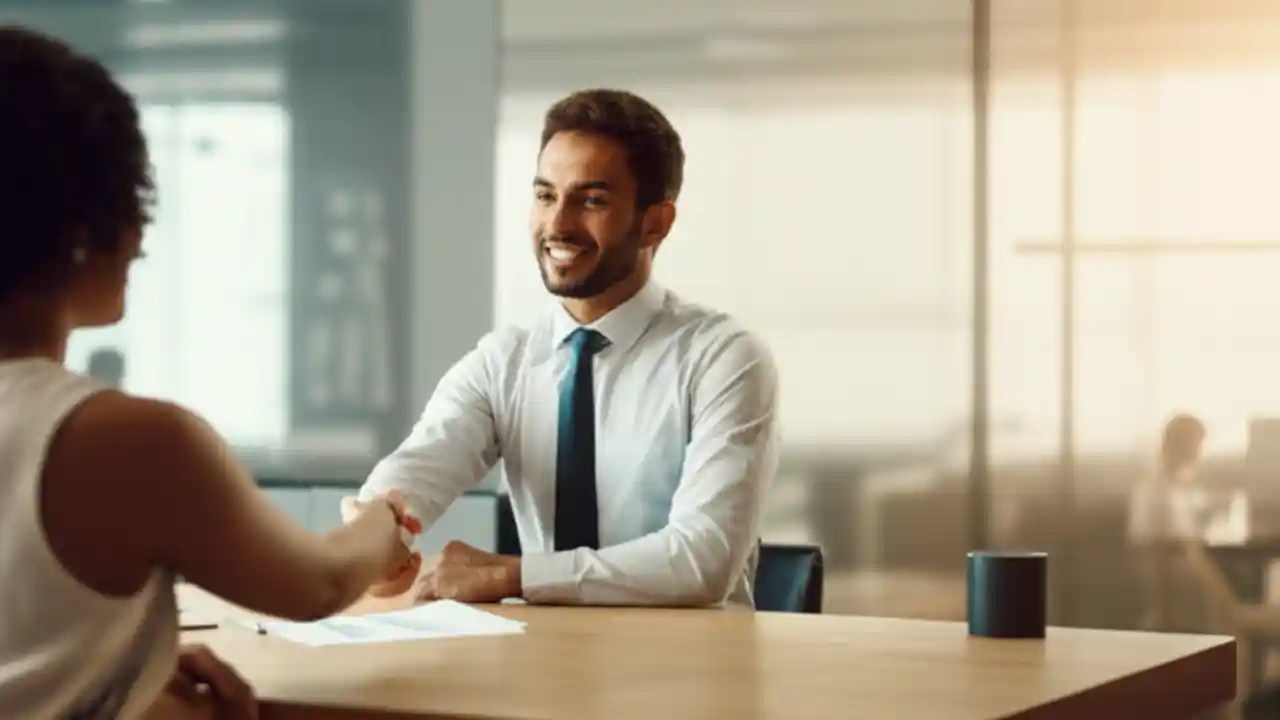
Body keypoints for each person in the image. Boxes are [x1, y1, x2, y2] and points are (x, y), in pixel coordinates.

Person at [0, 26, 419, 719]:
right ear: (88, 228)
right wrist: (383, 524)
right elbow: (317, 584)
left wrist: (120, 674)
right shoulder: (129, 441)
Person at [345, 88, 779, 609]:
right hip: (544, 661)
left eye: (592, 200)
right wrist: (378, 532)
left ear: (654, 223)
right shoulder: (502, 362)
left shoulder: (724, 359)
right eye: (546, 195)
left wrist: (514, 575)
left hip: (689, 671)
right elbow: (420, 466)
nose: (558, 225)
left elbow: (701, 560)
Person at [1128, 413, 1210, 630]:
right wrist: (1228, 604)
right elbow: (1188, 550)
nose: (1198, 453)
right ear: (1176, 447)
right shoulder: (1160, 492)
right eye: (1194, 446)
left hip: (1175, 572)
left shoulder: (1172, 482)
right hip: (1171, 579)